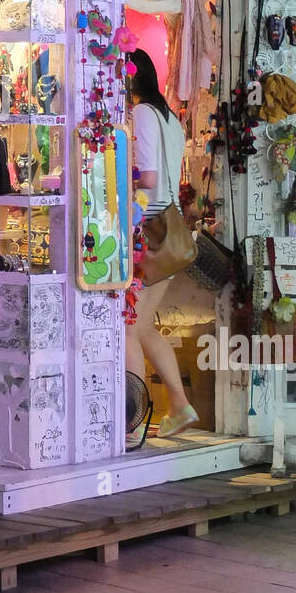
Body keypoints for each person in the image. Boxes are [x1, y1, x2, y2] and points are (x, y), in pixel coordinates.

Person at [126, 48, 199, 438]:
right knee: (144, 327)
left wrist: (116, 182)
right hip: (171, 229)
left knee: (129, 327)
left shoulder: (140, 113)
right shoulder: (168, 115)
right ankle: (180, 405)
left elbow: (148, 178)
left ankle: (131, 423)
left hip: (149, 230)